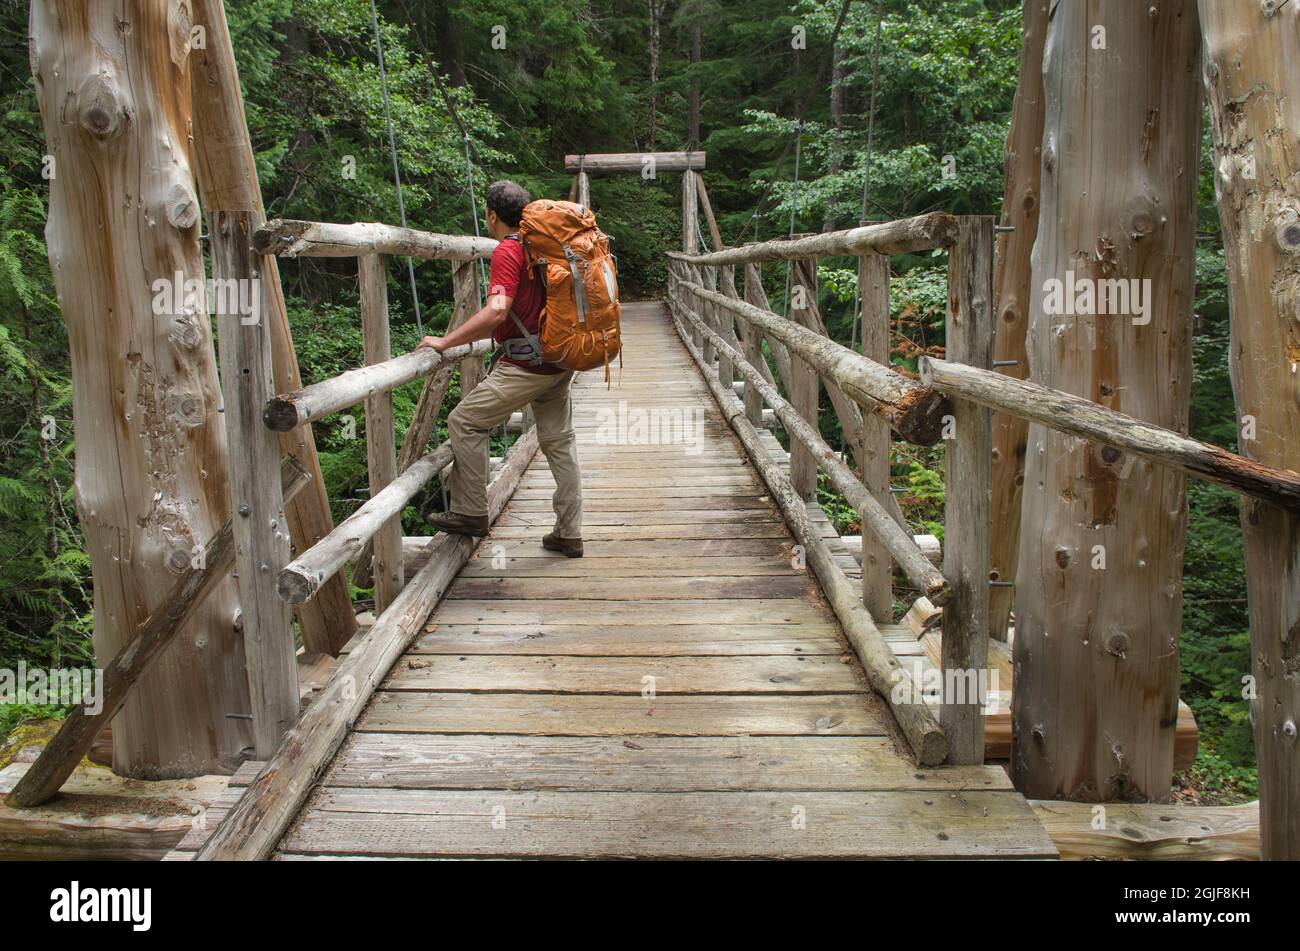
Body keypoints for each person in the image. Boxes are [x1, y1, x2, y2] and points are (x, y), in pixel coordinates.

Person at [417, 180, 583, 557]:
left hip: (527, 364)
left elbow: (496, 311)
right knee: (560, 443)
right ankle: (569, 533)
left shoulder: (508, 252)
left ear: (492, 215)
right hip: (560, 359)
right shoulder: (543, 244)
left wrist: (445, 342)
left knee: (465, 421)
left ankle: (471, 511)